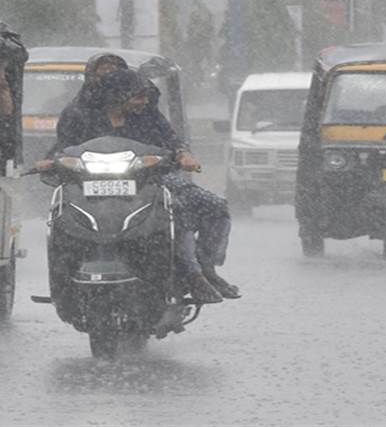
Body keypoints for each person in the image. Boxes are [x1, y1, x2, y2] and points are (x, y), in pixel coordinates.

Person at [42, 67, 240, 304]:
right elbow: (63, 146)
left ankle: (201, 270)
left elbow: (172, 141)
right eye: (138, 96)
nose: (144, 102)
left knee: (208, 207)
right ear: (118, 95)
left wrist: (182, 155)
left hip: (150, 179)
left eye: (146, 96)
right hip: (88, 184)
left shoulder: (148, 115)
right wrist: (51, 161)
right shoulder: (81, 115)